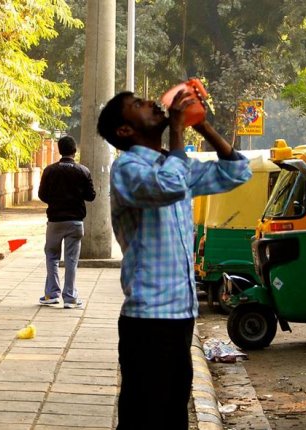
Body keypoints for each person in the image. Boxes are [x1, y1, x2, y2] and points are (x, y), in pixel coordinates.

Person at [97, 89, 251, 429]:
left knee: (171, 416)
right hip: (149, 317)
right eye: (137, 105)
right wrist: (179, 132)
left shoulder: (173, 163)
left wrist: (203, 125)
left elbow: (237, 172)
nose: (152, 103)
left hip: (180, 315)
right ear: (125, 130)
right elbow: (167, 186)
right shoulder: (128, 169)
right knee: (146, 417)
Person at [37, 135, 96, 309]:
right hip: (75, 222)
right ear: (74, 150)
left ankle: (52, 294)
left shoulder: (49, 170)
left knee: (52, 257)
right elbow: (91, 196)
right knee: (71, 260)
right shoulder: (83, 171)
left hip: (54, 221)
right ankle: (70, 298)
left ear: (59, 149)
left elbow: (42, 195)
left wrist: (55, 201)